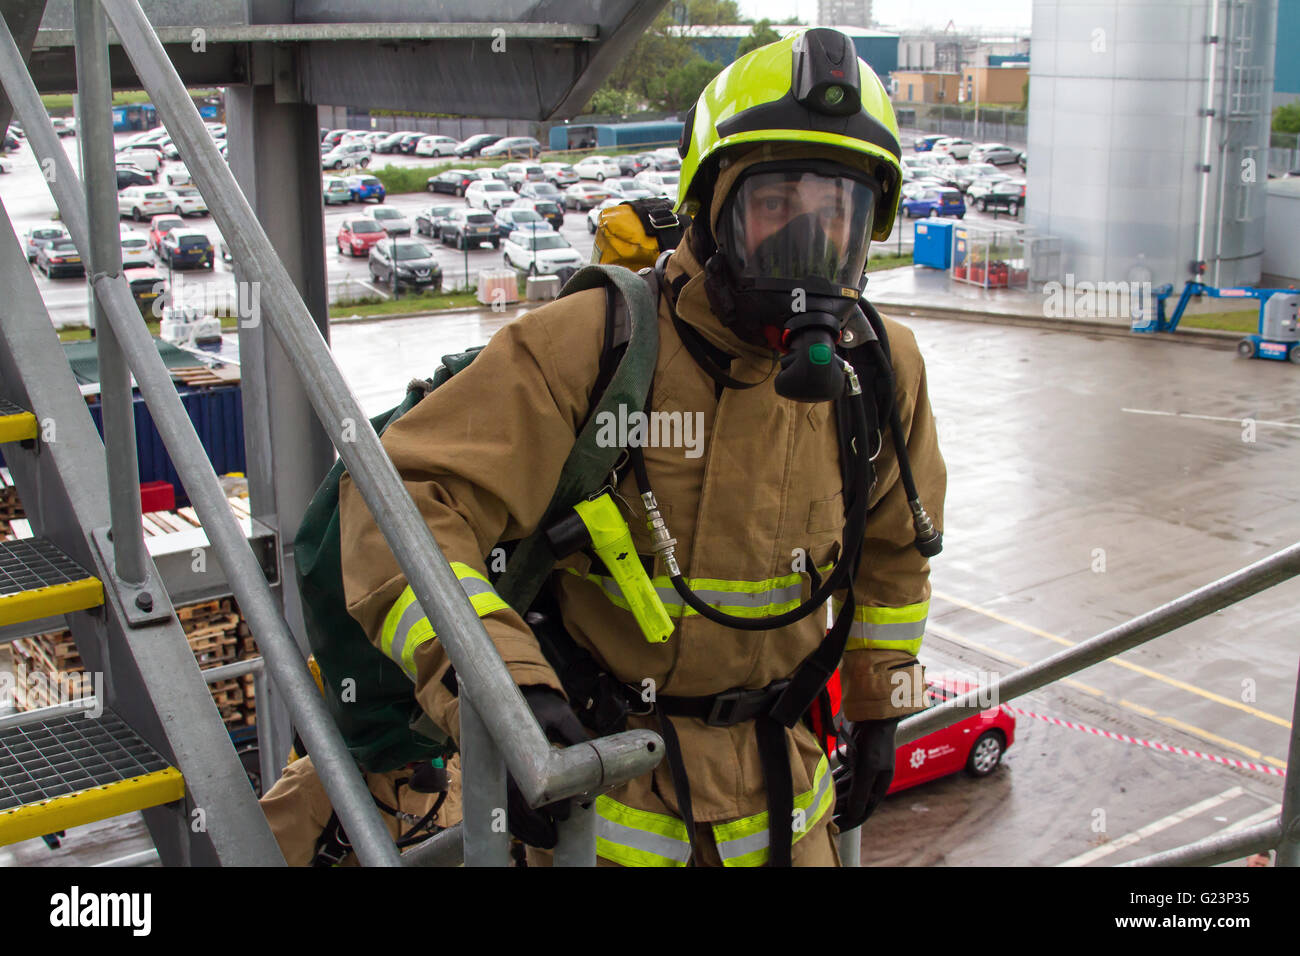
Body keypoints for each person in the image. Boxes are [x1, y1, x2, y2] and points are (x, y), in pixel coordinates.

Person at [338, 27, 945, 867]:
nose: (805, 245)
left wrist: (884, 707)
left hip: (790, 806)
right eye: (774, 204)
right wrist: (506, 695)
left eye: (833, 212)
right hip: (606, 798)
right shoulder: (593, 347)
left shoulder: (878, 370)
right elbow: (400, 503)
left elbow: (898, 558)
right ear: (712, 204)